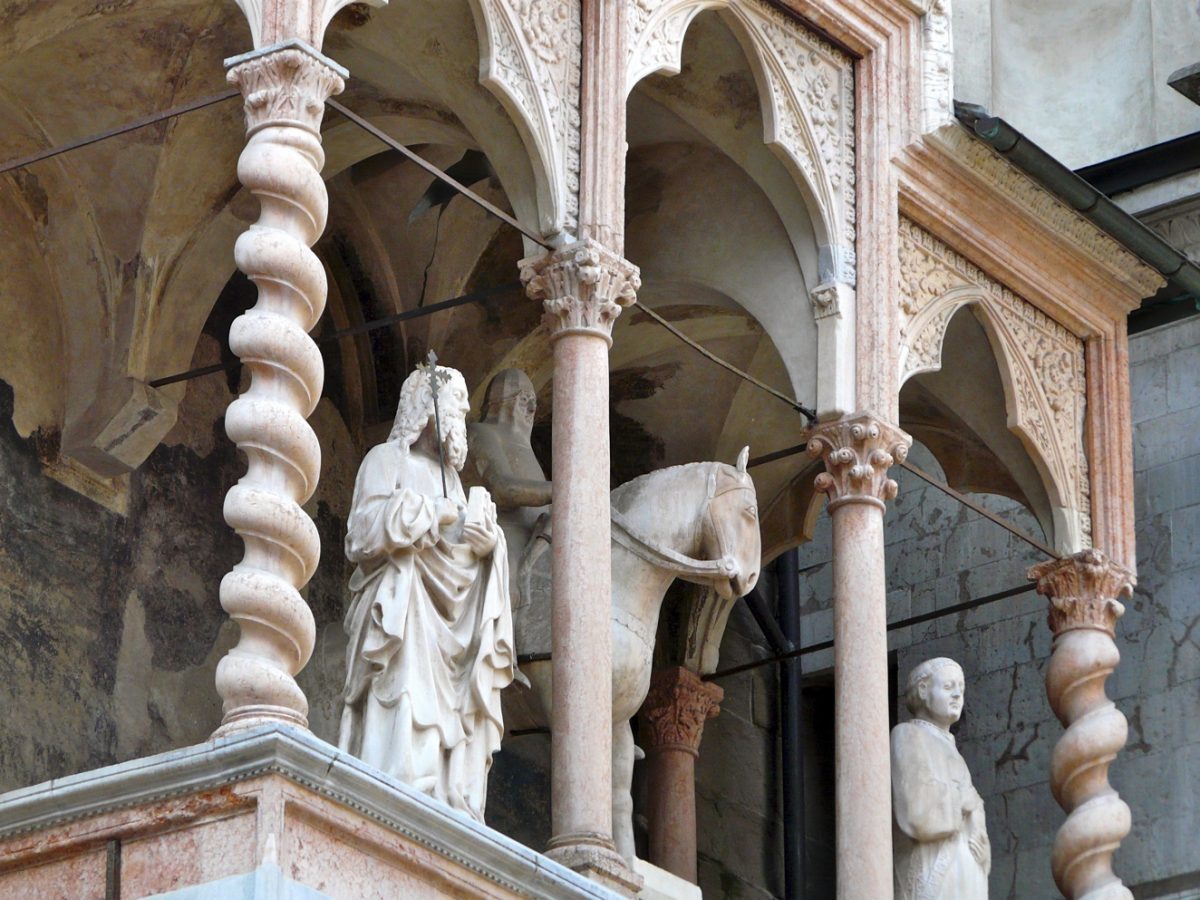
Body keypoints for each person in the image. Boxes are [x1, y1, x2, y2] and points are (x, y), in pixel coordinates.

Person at [338, 362, 513, 823]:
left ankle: (443, 793)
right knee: (405, 696)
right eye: (458, 403)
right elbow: (360, 535)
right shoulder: (386, 460)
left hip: (450, 624)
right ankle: (394, 783)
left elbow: (462, 555)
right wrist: (429, 513)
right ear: (427, 408)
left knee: (443, 723)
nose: (467, 411)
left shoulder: (454, 481)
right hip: (404, 606)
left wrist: (488, 547)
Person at [892, 657, 991, 899]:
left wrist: (980, 837)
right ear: (923, 690)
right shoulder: (908, 734)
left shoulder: (951, 749)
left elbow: (973, 806)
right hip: (933, 867)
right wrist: (963, 799)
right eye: (948, 687)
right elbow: (917, 811)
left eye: (961, 688)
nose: (958, 694)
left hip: (965, 869)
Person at [464, 368, 552, 603]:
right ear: (500, 402)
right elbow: (503, 488)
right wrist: (565, 489)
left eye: (533, 402)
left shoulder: (527, 449)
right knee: (510, 595)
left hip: (539, 539)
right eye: (523, 399)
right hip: (504, 538)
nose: (532, 409)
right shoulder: (482, 432)